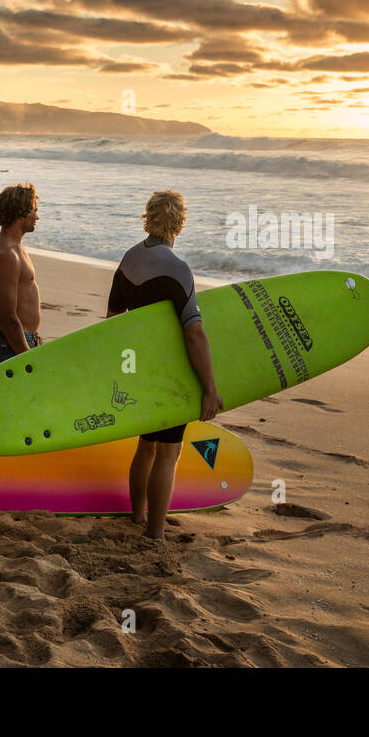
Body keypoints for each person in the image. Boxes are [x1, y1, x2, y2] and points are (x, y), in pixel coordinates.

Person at [106, 189, 223, 540]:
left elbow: (112, 322)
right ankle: (155, 534)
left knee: (145, 445)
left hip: (138, 370)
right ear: (179, 224)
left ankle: (138, 518)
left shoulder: (128, 260)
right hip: (169, 375)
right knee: (168, 453)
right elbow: (195, 334)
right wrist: (210, 388)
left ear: (149, 217)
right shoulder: (178, 269)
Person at [0, 183, 43, 369]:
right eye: (34, 211)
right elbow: (7, 316)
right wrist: (26, 356)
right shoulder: (5, 253)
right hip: (8, 346)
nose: (37, 217)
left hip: (18, 342)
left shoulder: (15, 248)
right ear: (21, 212)